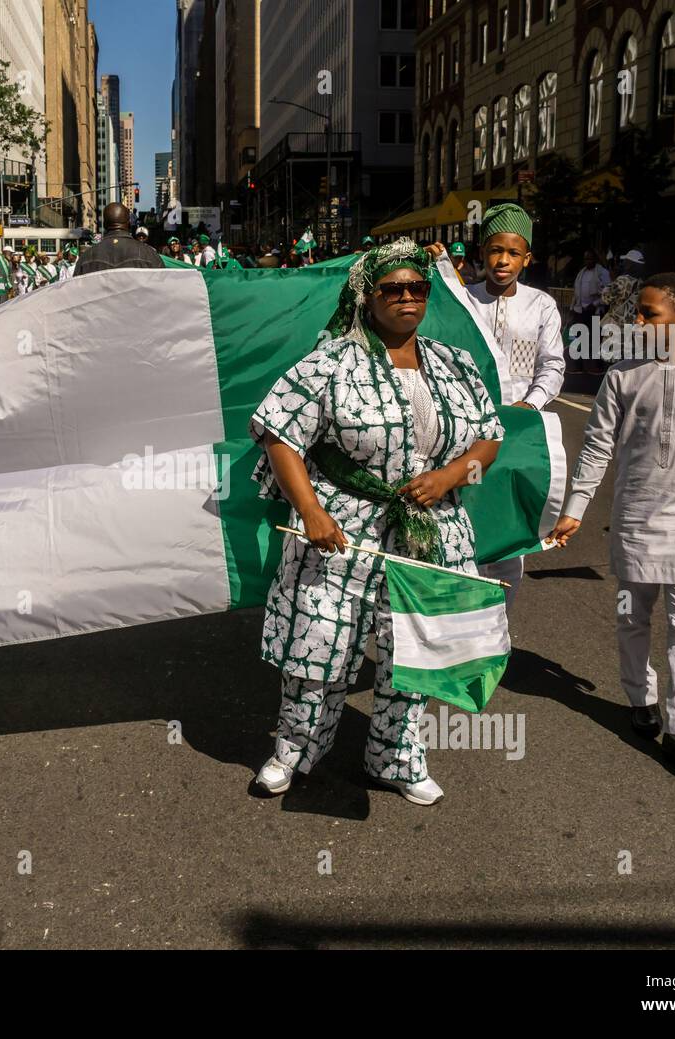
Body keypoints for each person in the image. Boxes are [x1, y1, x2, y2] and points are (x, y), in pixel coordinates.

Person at [249, 240, 505, 805]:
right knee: (320, 642)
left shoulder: (454, 362)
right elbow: (280, 434)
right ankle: (294, 750)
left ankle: (395, 757)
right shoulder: (331, 361)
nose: (408, 297)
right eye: (394, 289)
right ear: (369, 297)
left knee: (413, 651)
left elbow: (490, 435)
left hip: (432, 531)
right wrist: (311, 510)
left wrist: (451, 476)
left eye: (419, 288)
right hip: (342, 530)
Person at [549, 274, 675, 769]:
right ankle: (641, 699)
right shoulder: (622, 374)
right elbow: (597, 445)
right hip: (636, 516)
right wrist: (574, 510)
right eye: (637, 312)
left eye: (648, 313)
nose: (637, 321)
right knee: (632, 616)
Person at [432, 203, 564, 603]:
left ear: (527, 258)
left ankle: (495, 631)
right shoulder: (463, 300)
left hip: (516, 433)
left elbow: (552, 365)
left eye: (512, 252)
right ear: (481, 254)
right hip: (464, 433)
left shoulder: (541, 305)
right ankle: (458, 629)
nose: (502, 261)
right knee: (462, 519)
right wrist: (438, 270)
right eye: (494, 250)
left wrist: (530, 406)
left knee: (506, 529)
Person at [74, 203, 164, 275]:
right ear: (129, 224)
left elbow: (76, 291)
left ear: (104, 225)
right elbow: (163, 287)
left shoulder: (86, 258)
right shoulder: (149, 254)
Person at [570, 249, 611, 321]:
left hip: (595, 310)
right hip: (580, 310)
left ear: (595, 259)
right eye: (586, 259)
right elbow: (576, 292)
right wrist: (572, 307)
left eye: (590, 259)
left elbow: (608, 294)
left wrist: (594, 304)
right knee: (579, 331)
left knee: (594, 332)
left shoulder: (602, 272)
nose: (587, 261)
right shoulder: (581, 273)